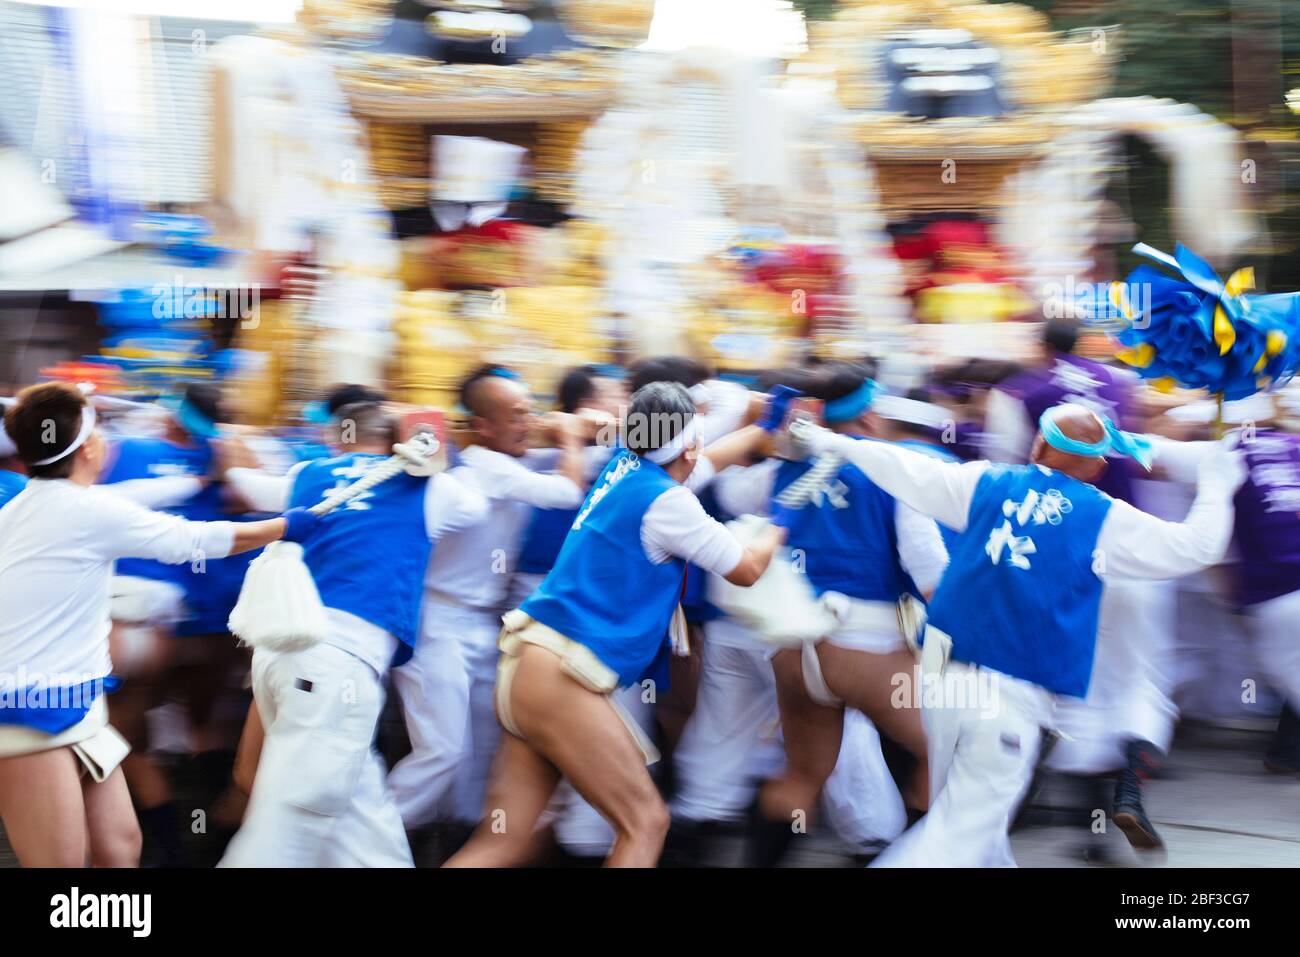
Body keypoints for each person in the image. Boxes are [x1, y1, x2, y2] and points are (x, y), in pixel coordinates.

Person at [795, 402, 1244, 866]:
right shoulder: (1103, 517)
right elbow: (1196, 547)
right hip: (1007, 699)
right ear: (1099, 464)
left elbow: (903, 467)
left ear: (1038, 444)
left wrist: (832, 440)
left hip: (940, 684)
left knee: (979, 834)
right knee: (957, 837)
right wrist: (1217, 484)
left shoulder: (984, 481)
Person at [446, 381, 791, 867]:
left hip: (526, 664)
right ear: (686, 446)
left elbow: (707, 461)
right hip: (562, 676)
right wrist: (785, 520)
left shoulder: (625, 469)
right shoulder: (670, 503)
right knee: (645, 823)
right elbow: (747, 569)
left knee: (502, 840)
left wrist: (762, 428)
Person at [0, 382, 310, 867]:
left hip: (78, 704)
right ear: (88, 448)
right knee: (60, 869)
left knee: (119, 849)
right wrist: (289, 525)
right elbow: (195, 540)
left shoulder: (48, 503)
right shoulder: (83, 509)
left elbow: (148, 498)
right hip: (24, 712)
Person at [220, 402, 488, 867]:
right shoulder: (428, 485)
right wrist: (432, 446)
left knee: (366, 832)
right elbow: (477, 506)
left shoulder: (305, 472)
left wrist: (226, 441)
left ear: (338, 437)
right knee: (283, 836)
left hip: (281, 661)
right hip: (337, 670)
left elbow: (245, 482)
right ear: (394, 441)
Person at [984, 319, 1178, 849]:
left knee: (1076, 689)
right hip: (1132, 544)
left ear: (1040, 347)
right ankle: (1130, 797)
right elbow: (1144, 455)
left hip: (1065, 554)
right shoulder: (1120, 383)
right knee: (1140, 682)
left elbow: (1006, 473)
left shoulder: (1020, 392)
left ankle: (1094, 832)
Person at [387, 365, 589, 840]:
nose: (529, 422)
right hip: (438, 621)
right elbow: (566, 492)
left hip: (477, 623)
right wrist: (572, 435)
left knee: (476, 751)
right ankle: (372, 837)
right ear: (482, 426)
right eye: (518, 415)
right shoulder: (490, 466)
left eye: (530, 412)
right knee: (443, 751)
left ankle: (456, 840)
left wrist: (574, 431)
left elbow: (552, 457)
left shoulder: (500, 462)